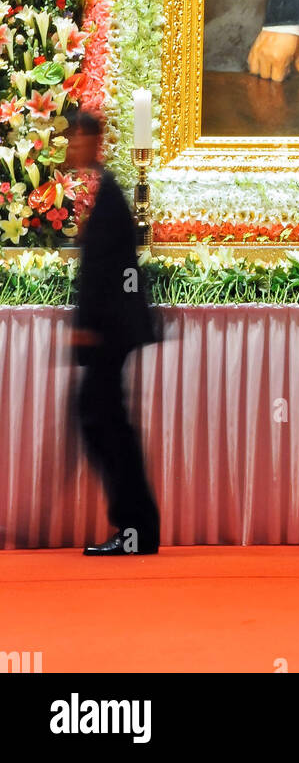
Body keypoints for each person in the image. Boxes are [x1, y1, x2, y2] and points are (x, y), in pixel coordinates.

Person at [66, 111, 161, 556]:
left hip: (109, 332)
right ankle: (137, 528)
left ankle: (135, 529)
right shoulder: (106, 192)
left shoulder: (109, 195)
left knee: (106, 426)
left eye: (72, 138)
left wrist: (90, 329)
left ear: (89, 139)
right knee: (106, 424)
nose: (68, 148)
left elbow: (111, 272)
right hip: (112, 330)